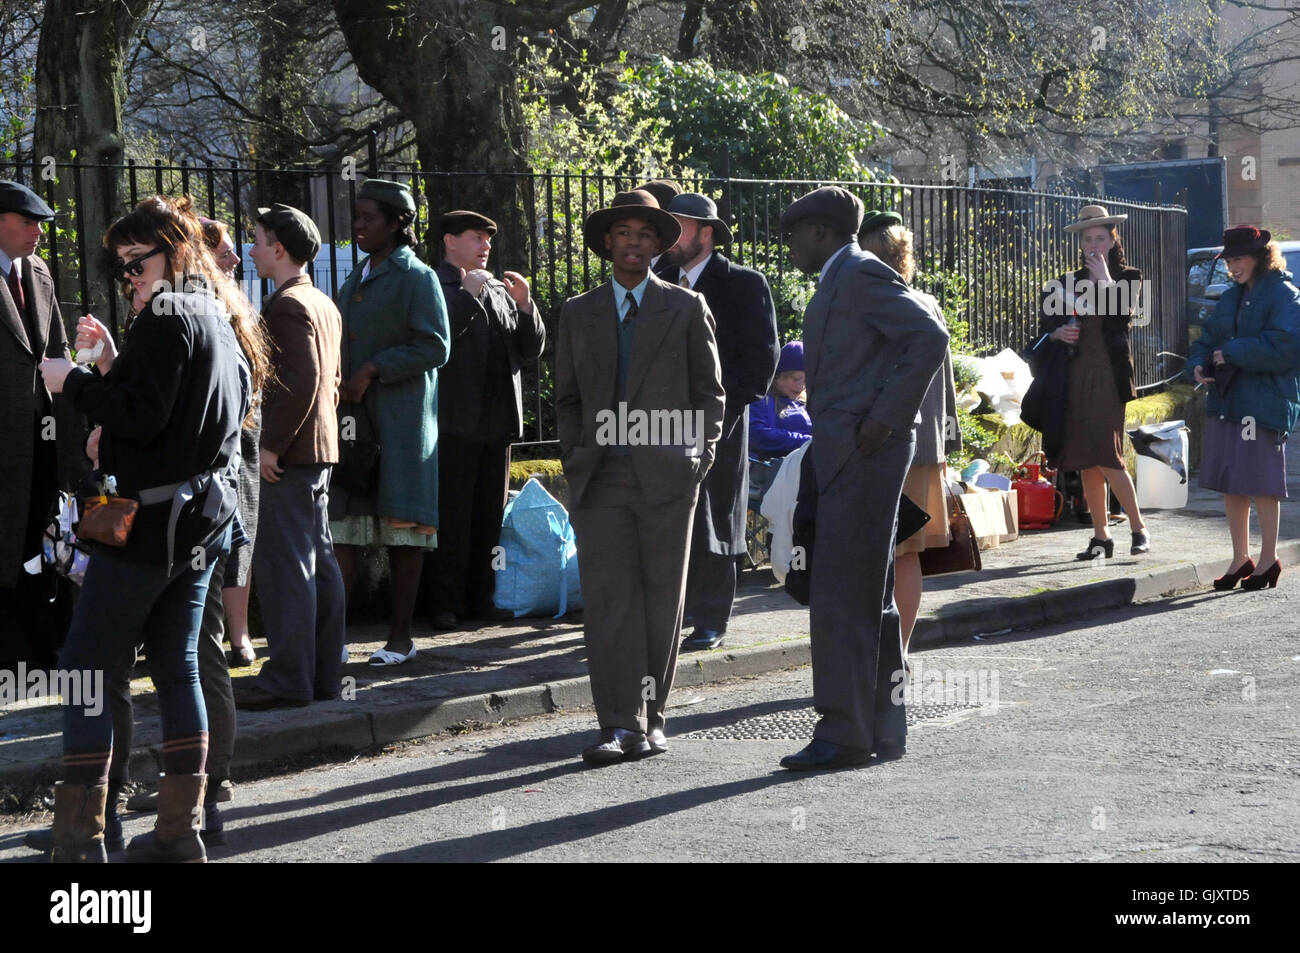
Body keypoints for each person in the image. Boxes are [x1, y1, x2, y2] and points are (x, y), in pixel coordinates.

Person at [39, 194, 251, 862]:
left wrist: (70, 381)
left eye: (138, 261)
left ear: (177, 251)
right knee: (176, 664)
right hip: (199, 521)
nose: (128, 275)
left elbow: (141, 415)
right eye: (122, 266)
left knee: (85, 670)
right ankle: (178, 834)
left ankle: (78, 840)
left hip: (152, 524)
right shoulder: (215, 312)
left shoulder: (167, 314)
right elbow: (187, 418)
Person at [776, 186, 948, 772]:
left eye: (796, 234)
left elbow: (930, 336)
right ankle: (879, 726)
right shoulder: (844, 273)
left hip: (862, 453)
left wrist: (884, 418)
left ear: (821, 232)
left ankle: (844, 732)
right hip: (849, 451)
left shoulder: (858, 272)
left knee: (840, 597)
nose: (790, 245)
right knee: (863, 595)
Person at [556, 189, 724, 764]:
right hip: (599, 479)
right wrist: (576, 456)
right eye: (624, 233)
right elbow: (567, 398)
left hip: (666, 481)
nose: (634, 244)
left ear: (659, 247)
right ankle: (615, 726)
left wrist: (694, 461)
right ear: (608, 243)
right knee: (608, 604)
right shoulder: (579, 311)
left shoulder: (682, 308)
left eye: (646, 235)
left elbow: (710, 395)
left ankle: (652, 720)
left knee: (661, 603)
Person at [330, 179, 449, 666]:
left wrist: (373, 368)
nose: (357, 227)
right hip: (356, 423)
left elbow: (436, 345)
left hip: (401, 424)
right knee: (345, 526)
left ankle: (401, 639)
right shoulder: (356, 275)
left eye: (368, 219)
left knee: (403, 526)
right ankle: (330, 638)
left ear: (398, 223)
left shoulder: (418, 276)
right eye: (355, 218)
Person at [655, 192, 778, 651]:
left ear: (707, 234)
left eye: (680, 226)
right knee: (670, 517)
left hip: (721, 420)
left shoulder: (744, 284)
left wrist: (723, 416)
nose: (669, 235)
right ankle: (672, 614)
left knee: (716, 516)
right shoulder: (661, 278)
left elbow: (762, 361)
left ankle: (711, 619)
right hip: (664, 420)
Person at [238, 203, 348, 708]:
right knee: (319, 564)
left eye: (258, 240)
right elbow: (332, 382)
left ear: (279, 249)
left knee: (288, 569)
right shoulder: (321, 301)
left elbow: (298, 383)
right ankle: (323, 676)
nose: (252, 250)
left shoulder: (285, 305)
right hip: (319, 450)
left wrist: (270, 446)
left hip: (292, 453)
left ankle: (288, 679)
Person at [425, 209, 545, 629]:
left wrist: (527, 305)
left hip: (498, 423)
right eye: (477, 237)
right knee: (453, 517)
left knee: (489, 518)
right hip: (456, 422)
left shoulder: (496, 287)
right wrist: (466, 297)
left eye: (488, 239)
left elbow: (530, 350)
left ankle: (480, 599)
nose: (486, 246)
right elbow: (438, 344)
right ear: (450, 241)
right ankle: (445, 602)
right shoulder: (435, 284)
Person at [858, 210, 961, 660]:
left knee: (877, 551)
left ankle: (877, 653)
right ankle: (897, 651)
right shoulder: (926, 303)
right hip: (924, 448)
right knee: (907, 552)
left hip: (878, 445)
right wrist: (946, 443)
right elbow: (947, 380)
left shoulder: (870, 306)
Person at [0, 180, 88, 671]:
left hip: (40, 438)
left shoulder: (37, 271)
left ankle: (43, 646)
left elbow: (55, 351)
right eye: (29, 221)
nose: (38, 232)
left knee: (41, 537)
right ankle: (10, 652)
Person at [1188, 225, 1300, 591]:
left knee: (1261, 480)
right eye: (1229, 260)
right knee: (1230, 479)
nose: (1232, 266)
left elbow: (1285, 348)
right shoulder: (1232, 297)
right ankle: (1240, 558)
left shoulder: (1285, 296)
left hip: (1261, 402)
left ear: (1260, 257)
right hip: (1227, 399)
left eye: (1239, 259)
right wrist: (1200, 362)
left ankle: (1268, 559)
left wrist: (1231, 352)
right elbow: (1208, 338)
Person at [1039, 204, 1150, 559]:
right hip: (1075, 375)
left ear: (1112, 240)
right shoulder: (1066, 282)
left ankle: (1138, 527)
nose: (1094, 245)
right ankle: (1101, 536)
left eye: (1100, 238)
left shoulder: (1129, 277)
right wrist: (1058, 333)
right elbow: (1045, 325)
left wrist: (1104, 279)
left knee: (1109, 455)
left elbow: (1127, 318)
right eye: (1088, 239)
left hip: (1108, 376)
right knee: (1086, 457)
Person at [200, 217, 258, 666]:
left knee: (240, 541)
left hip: (241, 441)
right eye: (224, 252)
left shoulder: (237, 306)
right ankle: (212, 638)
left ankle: (237, 637)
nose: (236, 259)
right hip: (213, 445)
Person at [749, 341, 812, 461]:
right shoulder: (761, 399)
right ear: (778, 376)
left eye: (806, 380)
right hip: (773, 471)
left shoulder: (804, 404)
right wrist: (807, 442)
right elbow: (757, 435)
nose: (801, 386)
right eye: (796, 379)